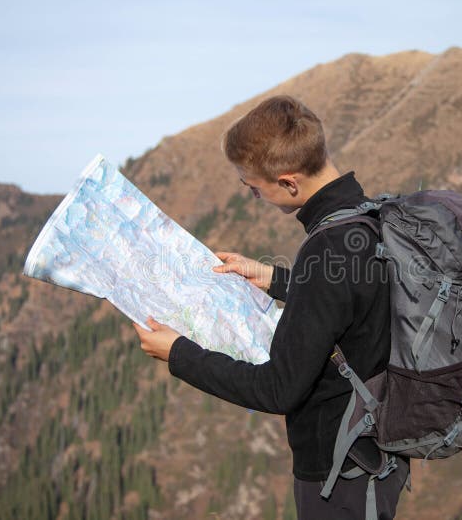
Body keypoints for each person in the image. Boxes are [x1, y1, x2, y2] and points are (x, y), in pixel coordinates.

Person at [133, 95, 409, 519]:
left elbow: (277, 389)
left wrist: (178, 354)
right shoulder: (366, 218)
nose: (253, 196)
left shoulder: (327, 249)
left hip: (341, 471)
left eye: (254, 188)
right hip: (376, 453)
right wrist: (275, 279)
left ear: (289, 182)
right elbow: (350, 298)